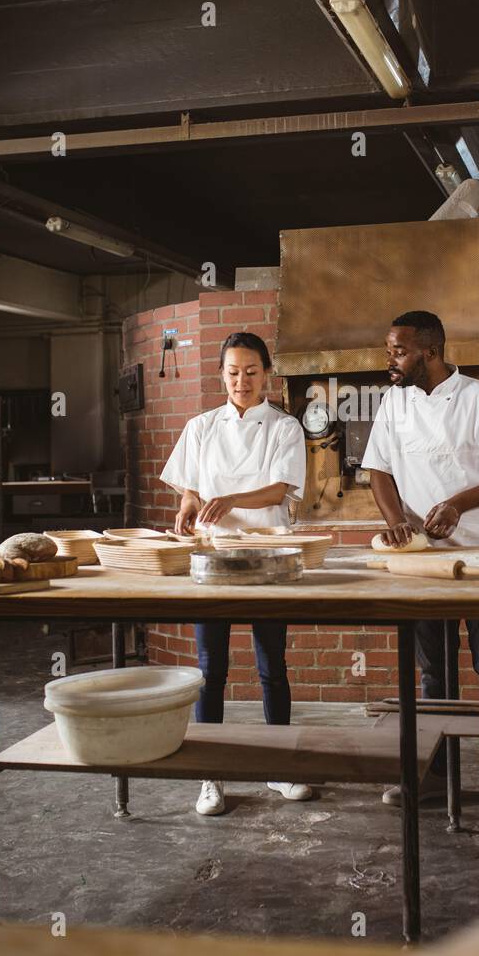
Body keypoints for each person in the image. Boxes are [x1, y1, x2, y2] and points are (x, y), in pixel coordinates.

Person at [361, 310, 479, 804]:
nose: (389, 360)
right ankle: (437, 775)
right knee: (435, 672)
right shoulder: (393, 404)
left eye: (398, 351)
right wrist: (397, 519)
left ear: (430, 351)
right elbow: (378, 470)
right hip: (425, 561)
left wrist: (459, 503)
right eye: (389, 349)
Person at [160, 331, 312, 815]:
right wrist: (188, 507)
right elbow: (189, 488)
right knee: (211, 669)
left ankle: (281, 768)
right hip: (212, 561)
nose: (241, 381)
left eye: (250, 372)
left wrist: (228, 499)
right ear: (221, 375)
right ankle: (211, 777)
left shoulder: (285, 427)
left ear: (266, 373)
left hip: (269, 559)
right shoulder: (201, 426)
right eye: (232, 372)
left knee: (272, 665)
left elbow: (278, 492)